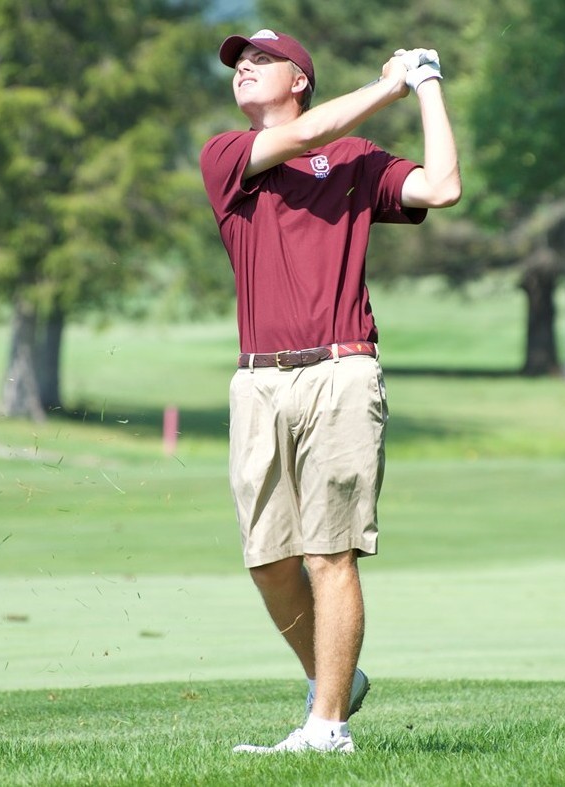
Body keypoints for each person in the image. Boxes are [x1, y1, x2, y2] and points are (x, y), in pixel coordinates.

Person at [198, 29, 461, 754]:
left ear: (300, 79)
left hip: (343, 368)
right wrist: (389, 86)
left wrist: (428, 82)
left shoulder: (353, 161)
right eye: (237, 66)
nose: (243, 71)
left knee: (327, 552)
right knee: (267, 558)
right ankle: (334, 678)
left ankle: (327, 725)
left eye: (260, 62)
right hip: (256, 379)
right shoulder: (226, 157)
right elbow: (309, 131)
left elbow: (441, 186)